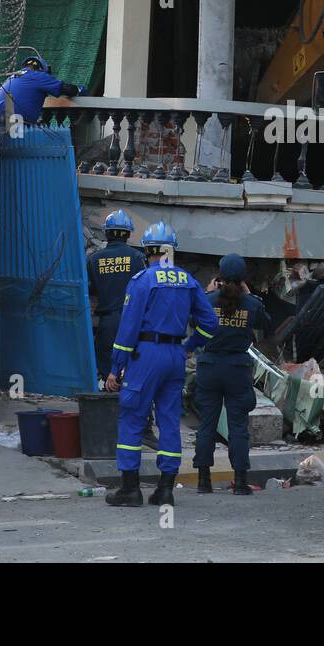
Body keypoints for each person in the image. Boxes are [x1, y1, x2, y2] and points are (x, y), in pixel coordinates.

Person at [104, 221, 218, 507]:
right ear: (171, 250)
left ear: (148, 250)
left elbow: (127, 330)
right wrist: (188, 347)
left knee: (132, 417)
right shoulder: (188, 280)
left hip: (146, 355)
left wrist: (116, 367)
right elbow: (209, 324)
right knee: (169, 420)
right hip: (174, 356)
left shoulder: (142, 280)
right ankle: (165, 489)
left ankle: (130, 489)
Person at [187, 254, 272, 496]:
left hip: (209, 367)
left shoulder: (207, 301)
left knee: (206, 425)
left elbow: (193, 323)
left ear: (219, 277)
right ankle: (241, 482)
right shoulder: (252, 304)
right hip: (237, 369)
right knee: (237, 426)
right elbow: (267, 324)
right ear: (244, 278)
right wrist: (248, 294)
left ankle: (204, 480)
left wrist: (206, 294)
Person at [85, 210, 145, 379]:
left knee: (107, 370)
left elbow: (89, 291)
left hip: (107, 322)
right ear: (128, 233)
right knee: (133, 368)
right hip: (133, 320)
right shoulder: (137, 257)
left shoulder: (93, 259)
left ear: (106, 232)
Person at [0, 55, 81, 126]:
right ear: (41, 70)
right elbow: (67, 89)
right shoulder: (39, 76)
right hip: (16, 124)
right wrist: (79, 89)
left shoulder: (11, 78)